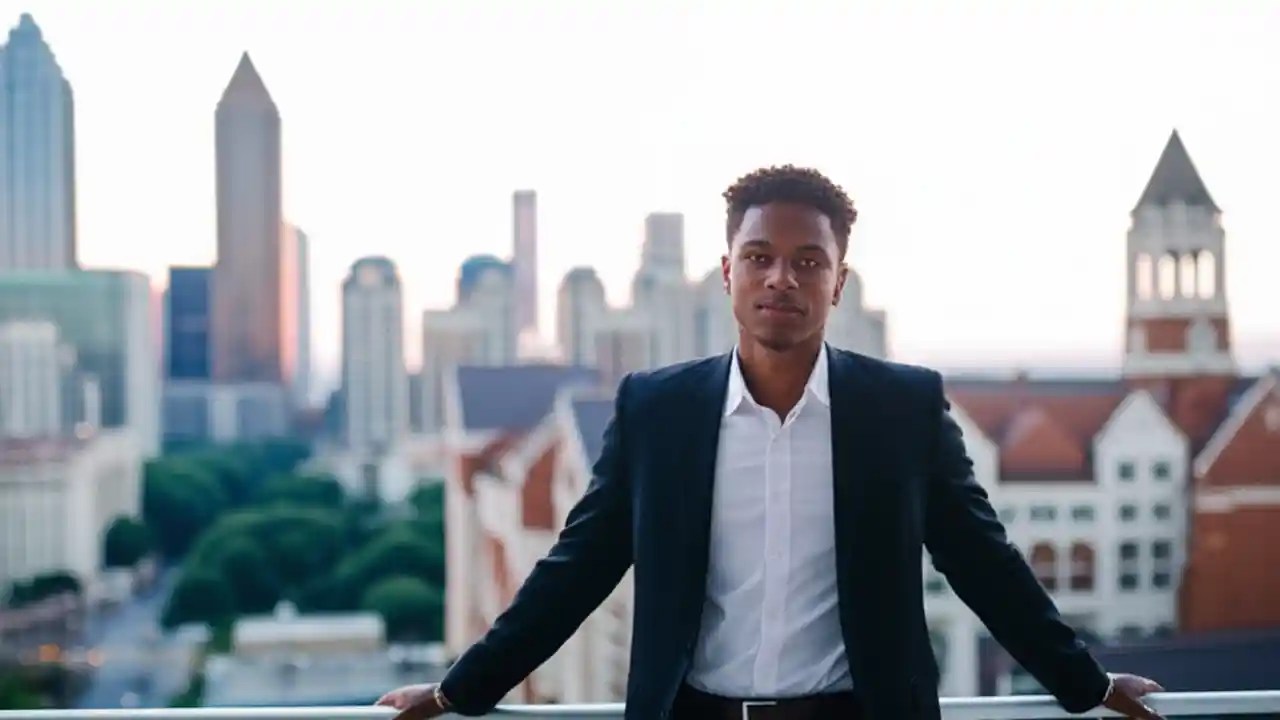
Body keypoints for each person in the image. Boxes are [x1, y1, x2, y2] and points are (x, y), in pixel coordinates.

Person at [378, 166, 1166, 720]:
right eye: (759, 258)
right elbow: (575, 570)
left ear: (838, 282)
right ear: (727, 274)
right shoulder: (658, 411)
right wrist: (456, 691)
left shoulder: (903, 408)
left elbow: (984, 563)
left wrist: (1085, 684)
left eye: (806, 261)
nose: (780, 279)